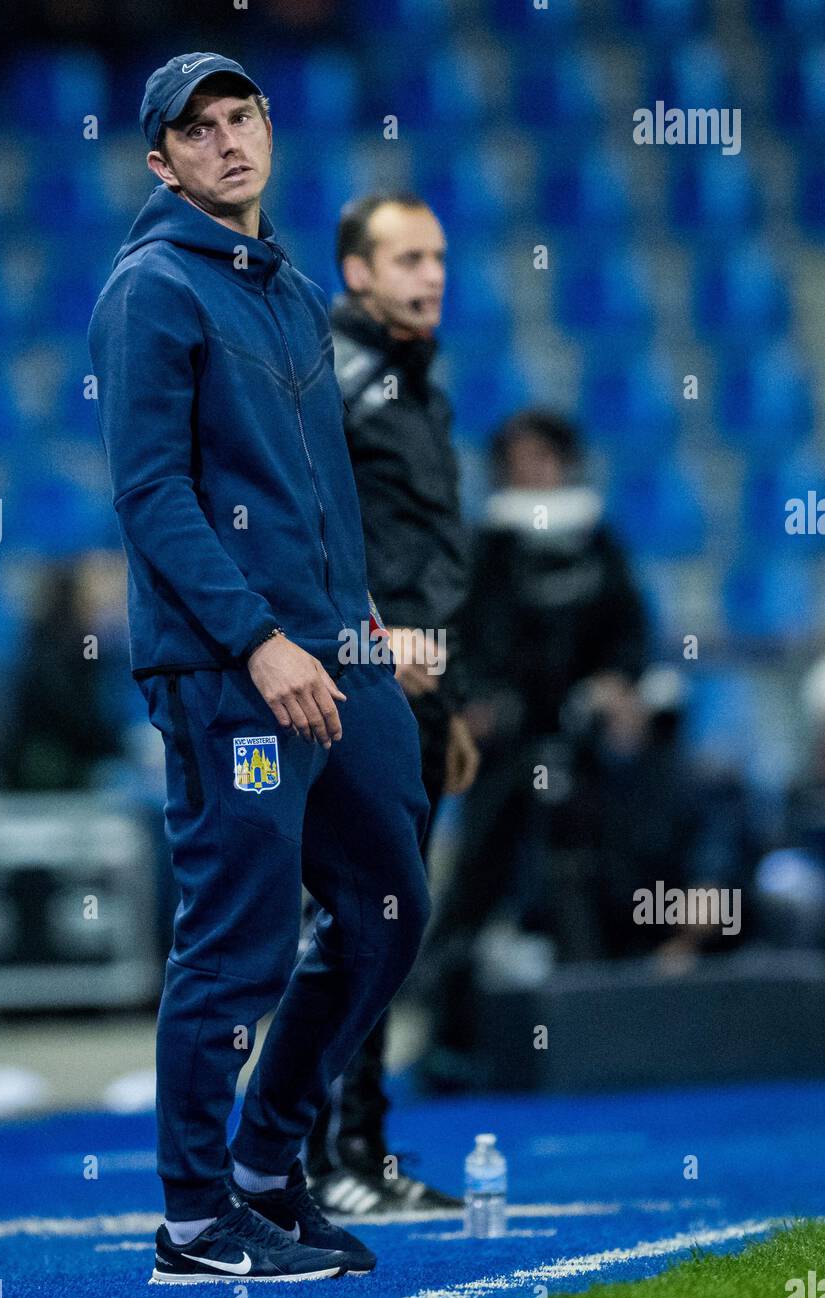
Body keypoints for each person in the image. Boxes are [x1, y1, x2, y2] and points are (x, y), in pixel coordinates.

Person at [88, 53, 432, 1286]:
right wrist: (259, 635)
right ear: (160, 160)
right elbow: (151, 494)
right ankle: (191, 1221)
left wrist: (361, 615)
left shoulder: (282, 286)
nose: (229, 141)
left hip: (338, 650)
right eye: (199, 128)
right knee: (236, 944)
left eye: (243, 117)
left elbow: (317, 486)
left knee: (390, 913)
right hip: (233, 666)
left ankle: (263, 1171)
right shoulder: (152, 291)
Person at [303, 194, 479, 1214]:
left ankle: (363, 1149)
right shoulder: (329, 374)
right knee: (353, 924)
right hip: (361, 687)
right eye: (407, 256)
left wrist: (450, 705)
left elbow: (432, 559)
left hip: (423, 692)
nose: (431, 273)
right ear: (355, 273)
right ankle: (321, 1154)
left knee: (390, 928)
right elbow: (310, 526)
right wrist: (365, 647)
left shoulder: (422, 386)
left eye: (439, 255)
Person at [416, 410, 648, 1089]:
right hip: (505, 746)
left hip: (578, 743)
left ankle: (597, 1036)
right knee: (475, 888)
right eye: (519, 459)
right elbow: (455, 633)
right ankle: (447, 1042)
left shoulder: (596, 541)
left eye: (543, 457)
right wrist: (472, 699)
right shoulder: (486, 546)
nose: (531, 471)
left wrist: (616, 684)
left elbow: (629, 631)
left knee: (584, 877)